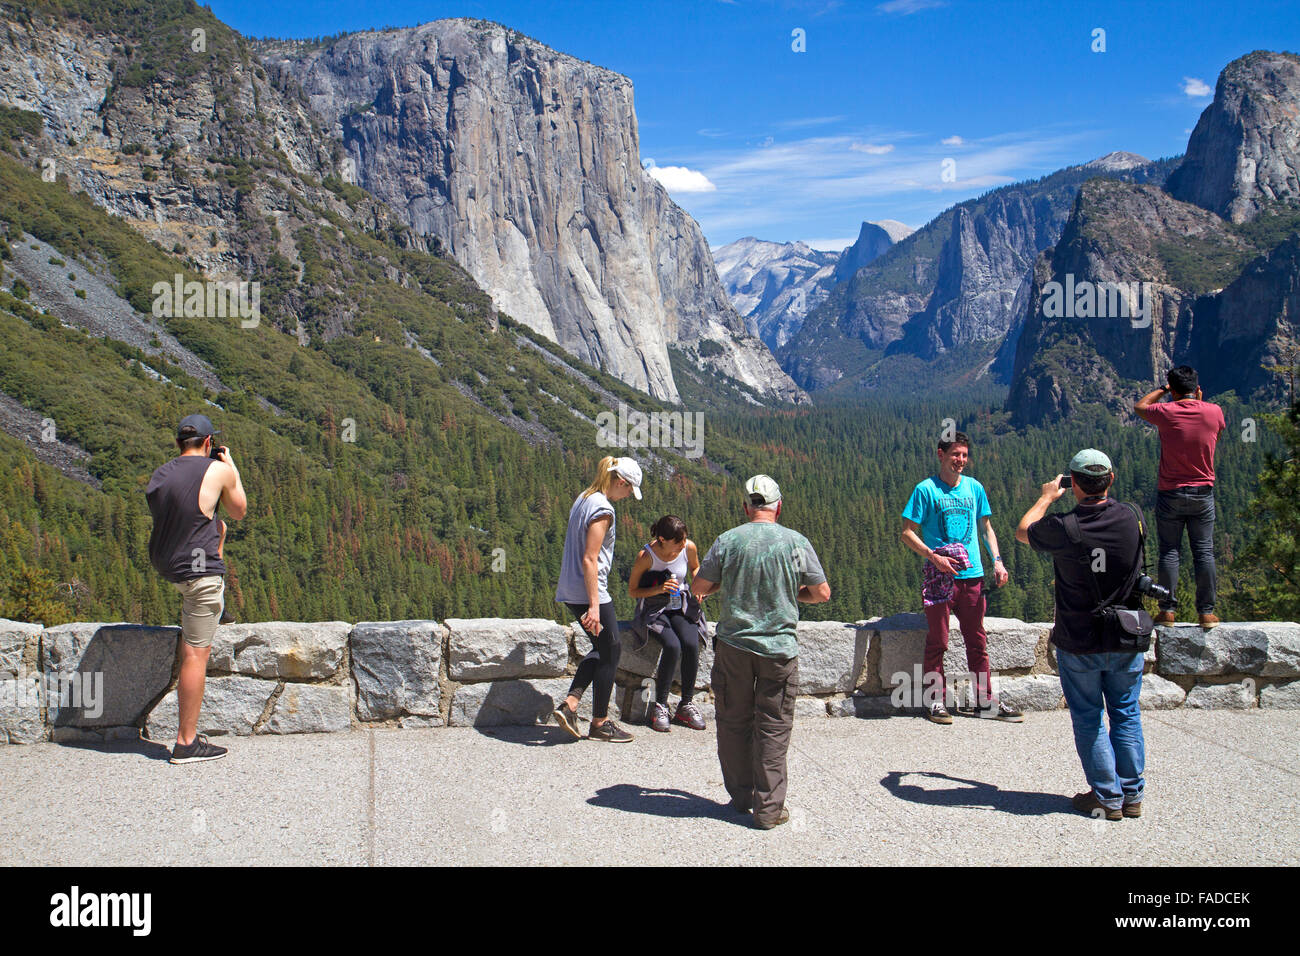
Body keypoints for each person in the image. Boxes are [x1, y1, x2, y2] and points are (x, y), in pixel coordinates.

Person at [691, 475, 830, 829]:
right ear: (778, 507)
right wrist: (789, 592)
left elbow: (700, 587)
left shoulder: (728, 540)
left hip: (734, 646)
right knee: (774, 726)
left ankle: (740, 798)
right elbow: (821, 593)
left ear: (746, 507)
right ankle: (768, 809)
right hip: (779, 650)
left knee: (733, 721)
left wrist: (731, 582)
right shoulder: (796, 542)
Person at [1016, 449, 1148, 821]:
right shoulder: (1133, 517)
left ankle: (1107, 797)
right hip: (1126, 635)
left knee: (1089, 717)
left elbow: (1023, 531)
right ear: (1112, 479)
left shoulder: (1064, 527)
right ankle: (1132, 794)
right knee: (1125, 713)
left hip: (1080, 639)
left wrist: (1046, 497)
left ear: (1073, 484)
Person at [899, 431, 1022, 724]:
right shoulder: (925, 490)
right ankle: (935, 702)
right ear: (941, 454)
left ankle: (984, 702)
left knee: (976, 641)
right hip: (939, 578)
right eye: (956, 455)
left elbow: (986, 528)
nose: (961, 461)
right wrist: (934, 558)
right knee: (938, 641)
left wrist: (998, 561)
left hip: (972, 577)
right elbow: (906, 533)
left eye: (965, 455)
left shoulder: (974, 488)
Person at [145, 414, 247, 765]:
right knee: (194, 655)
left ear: (178, 444)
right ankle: (186, 742)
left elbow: (188, 517)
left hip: (166, 563)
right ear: (208, 443)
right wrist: (229, 464)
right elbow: (239, 510)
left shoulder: (161, 474)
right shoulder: (216, 470)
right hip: (198, 573)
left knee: (216, 528)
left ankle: (216, 607)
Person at [553, 456, 642, 743]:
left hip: (572, 588)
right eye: (629, 490)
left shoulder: (585, 497)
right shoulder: (603, 508)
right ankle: (600, 722)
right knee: (611, 650)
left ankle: (571, 705)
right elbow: (590, 559)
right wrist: (594, 605)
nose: (628, 495)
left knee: (605, 648)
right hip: (590, 592)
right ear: (620, 482)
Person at [1134, 365, 1226, 629]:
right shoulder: (1214, 411)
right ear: (1197, 390)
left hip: (1170, 493)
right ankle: (1206, 613)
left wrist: (1163, 390)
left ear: (1173, 392)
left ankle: (1167, 611)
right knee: (1204, 552)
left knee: (1170, 552)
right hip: (1203, 493)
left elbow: (1140, 407)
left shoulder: (1166, 411)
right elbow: (1217, 433)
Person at [627, 515, 707, 732]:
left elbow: (695, 569)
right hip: (654, 607)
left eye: (684, 540)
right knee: (672, 646)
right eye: (678, 542)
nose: (683, 545)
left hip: (679, 604)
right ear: (662, 539)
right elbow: (633, 590)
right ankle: (660, 705)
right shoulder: (646, 556)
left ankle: (686, 704)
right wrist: (659, 589)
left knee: (691, 644)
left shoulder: (688, 548)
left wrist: (699, 588)